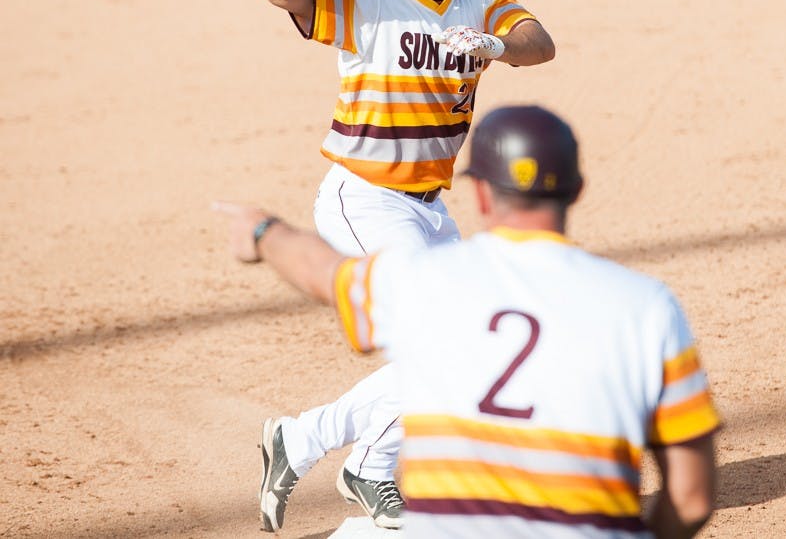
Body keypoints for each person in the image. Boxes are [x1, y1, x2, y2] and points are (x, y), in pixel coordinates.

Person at [215, 105, 720, 538]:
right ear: (577, 190)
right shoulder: (644, 307)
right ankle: (323, 446)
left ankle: (314, 443)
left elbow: (324, 273)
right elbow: (692, 499)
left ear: (480, 194)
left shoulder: (427, 285)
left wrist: (263, 231)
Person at [254, 0, 555, 532]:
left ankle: (300, 440)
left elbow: (540, 41)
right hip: (363, 197)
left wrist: (495, 46)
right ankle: (366, 463)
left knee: (477, 343)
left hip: (427, 207)